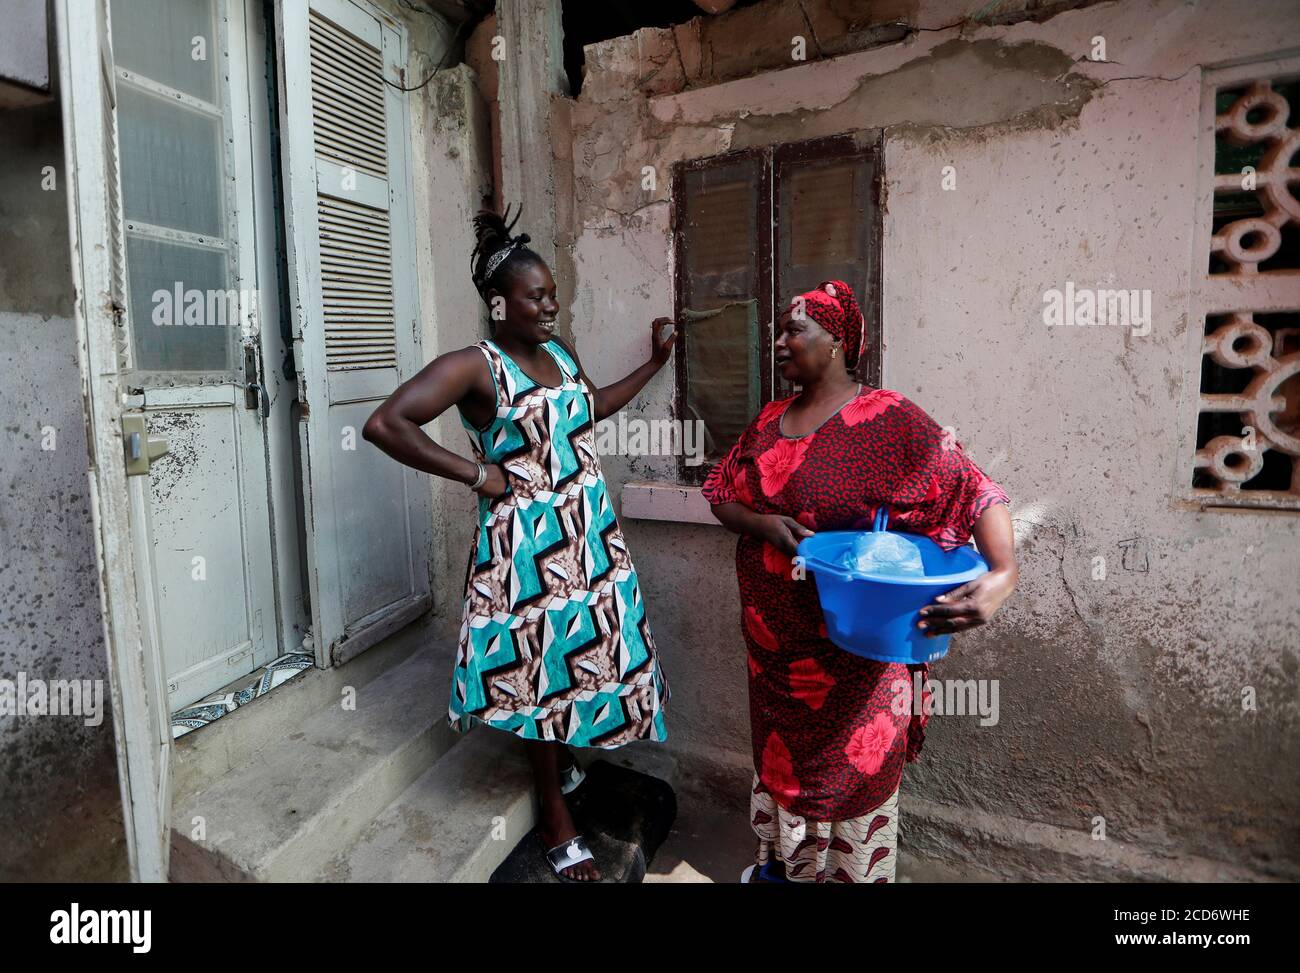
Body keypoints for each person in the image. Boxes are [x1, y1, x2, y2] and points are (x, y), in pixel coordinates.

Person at [363, 207, 674, 881]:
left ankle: (562, 761)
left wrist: (654, 363)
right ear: (500, 304)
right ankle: (555, 816)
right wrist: (477, 472)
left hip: (586, 537)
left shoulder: (560, 357)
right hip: (527, 553)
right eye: (537, 296)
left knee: (584, 660)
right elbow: (387, 422)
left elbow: (592, 408)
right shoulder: (477, 366)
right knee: (541, 674)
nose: (550, 306)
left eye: (553, 294)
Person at [701, 279, 1017, 883]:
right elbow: (719, 494)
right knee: (784, 778)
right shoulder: (769, 420)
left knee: (846, 779)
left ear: (838, 341)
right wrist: (763, 524)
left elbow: (975, 489)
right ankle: (782, 873)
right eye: (779, 330)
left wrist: (1003, 574)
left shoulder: (890, 422)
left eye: (795, 329)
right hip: (773, 663)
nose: (778, 342)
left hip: (853, 666)